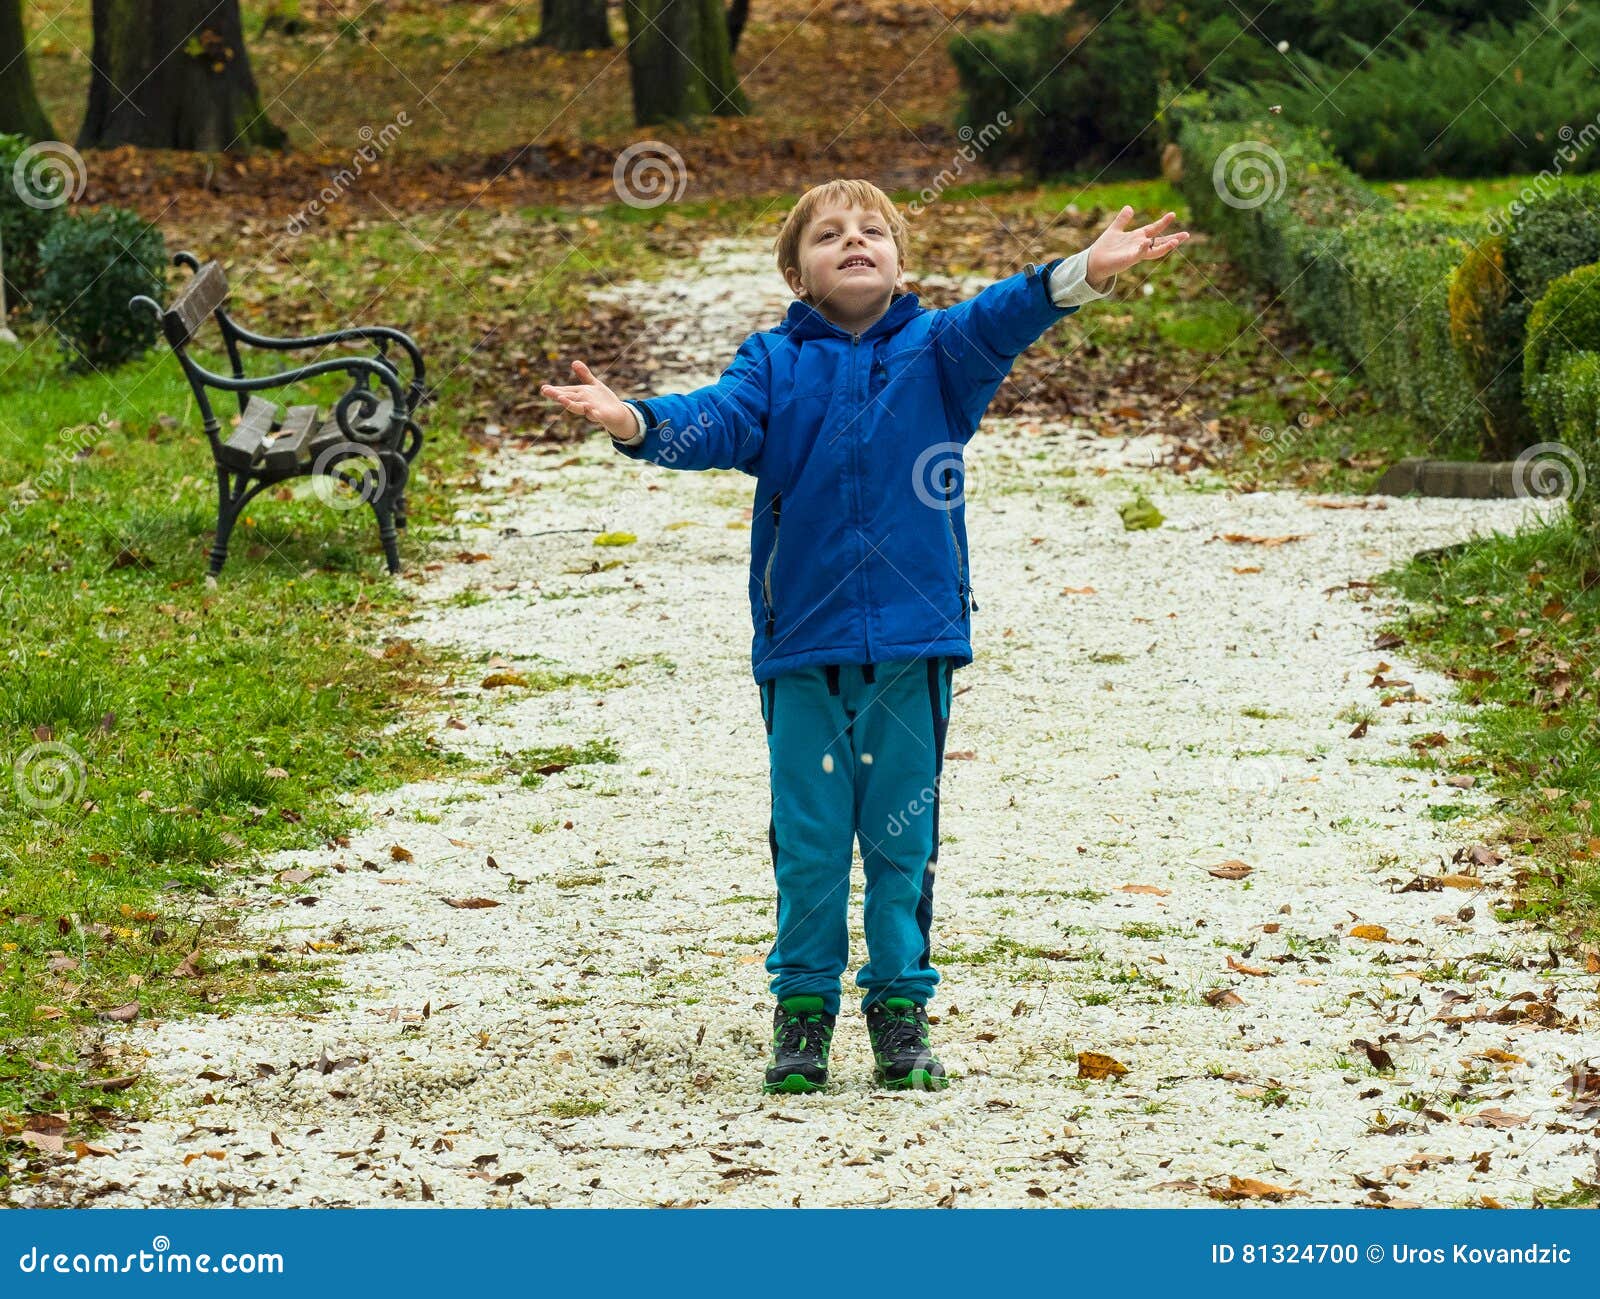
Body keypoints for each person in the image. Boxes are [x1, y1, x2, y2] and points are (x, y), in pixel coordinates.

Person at [540, 178, 1187, 1093]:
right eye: (830, 235)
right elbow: (716, 420)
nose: (855, 242)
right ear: (797, 272)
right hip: (803, 646)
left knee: (900, 842)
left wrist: (1078, 273)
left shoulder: (940, 353)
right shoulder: (772, 363)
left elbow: (1005, 315)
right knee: (809, 840)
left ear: (899, 259)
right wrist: (637, 421)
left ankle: (899, 1008)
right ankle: (802, 1008)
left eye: (873, 231)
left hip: (914, 644)